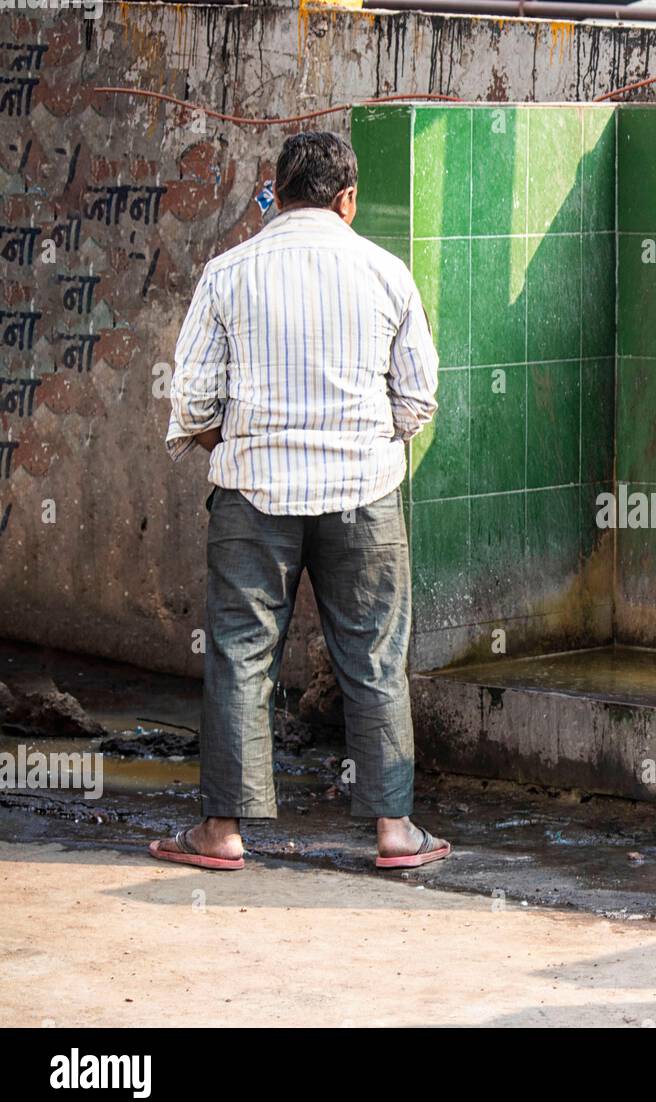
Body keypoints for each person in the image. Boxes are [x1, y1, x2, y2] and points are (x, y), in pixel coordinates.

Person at [151, 131, 446, 871]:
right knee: (376, 659)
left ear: (276, 193)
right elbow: (417, 399)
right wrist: (365, 443)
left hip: (254, 495)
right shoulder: (385, 272)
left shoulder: (228, 272)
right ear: (348, 200)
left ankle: (222, 834)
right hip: (364, 496)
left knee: (241, 658)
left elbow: (189, 401)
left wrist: (242, 445)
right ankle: (393, 832)